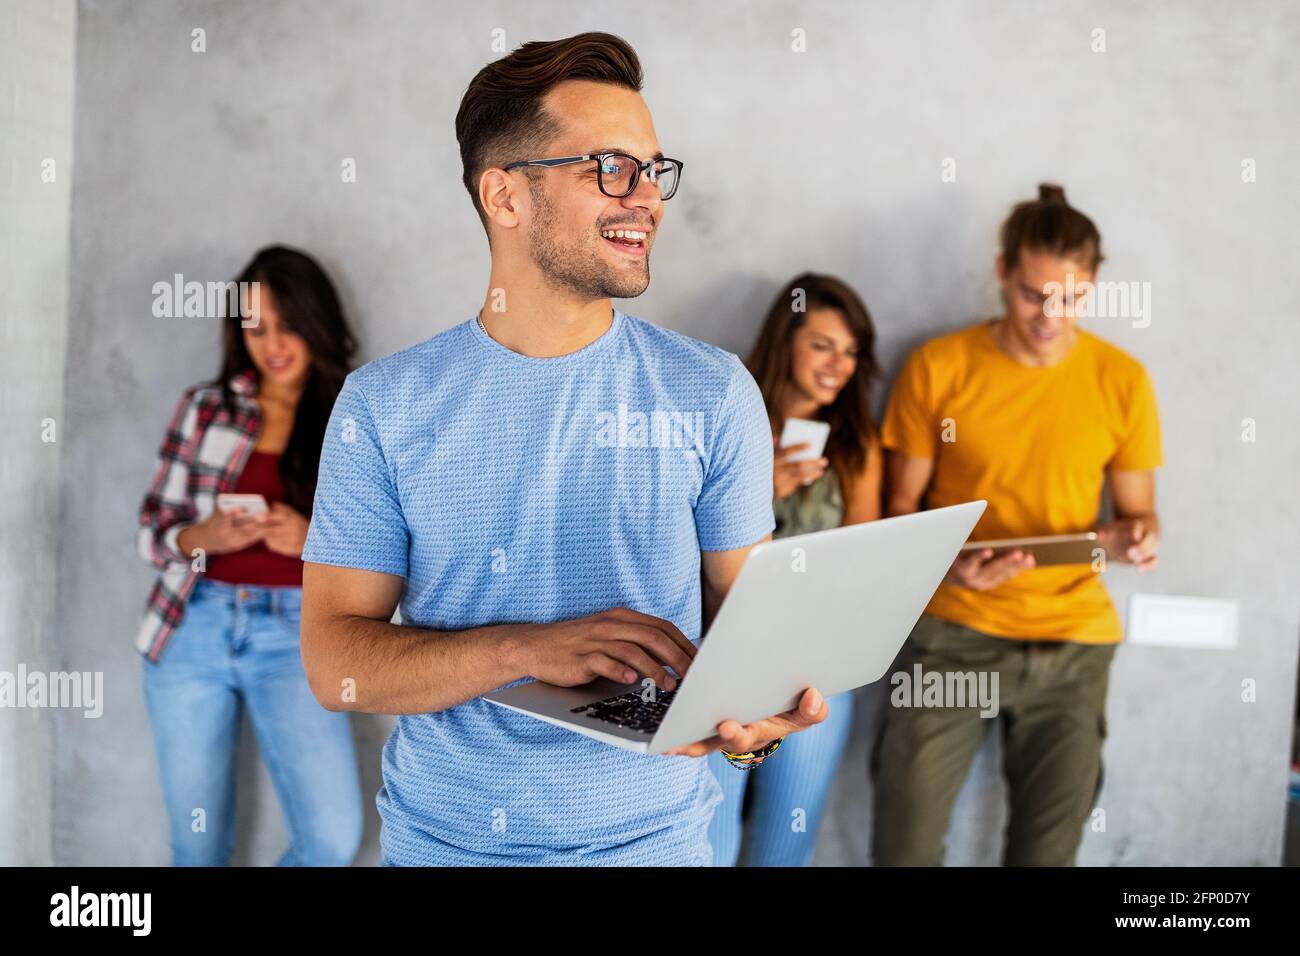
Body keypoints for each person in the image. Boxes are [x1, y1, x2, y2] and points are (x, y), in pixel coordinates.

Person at [298, 32, 828, 866]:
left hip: (655, 846)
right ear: (505, 196)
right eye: (611, 169)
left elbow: (746, 634)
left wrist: (752, 730)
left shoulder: (714, 392)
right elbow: (337, 665)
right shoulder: (383, 406)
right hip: (446, 848)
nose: (647, 197)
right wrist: (528, 649)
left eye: (655, 171)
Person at [871, 184, 1162, 866]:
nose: (1049, 315)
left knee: (1046, 856)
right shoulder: (940, 367)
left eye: (1070, 298)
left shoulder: (1123, 381)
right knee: (903, 848)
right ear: (1002, 271)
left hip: (1073, 648)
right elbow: (896, 515)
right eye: (1034, 294)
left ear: (1092, 287)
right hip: (950, 636)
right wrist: (952, 562)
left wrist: (1138, 537)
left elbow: (1139, 514)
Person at [135, 246, 363, 866]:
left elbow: (387, 559)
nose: (274, 344)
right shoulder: (205, 409)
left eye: (288, 324)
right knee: (197, 845)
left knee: (331, 841)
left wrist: (310, 541)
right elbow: (151, 533)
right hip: (192, 625)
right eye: (256, 328)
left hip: (297, 634)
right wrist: (199, 537)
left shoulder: (356, 414)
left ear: (317, 321)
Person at [707, 273, 883, 866]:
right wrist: (763, 486)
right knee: (708, 837)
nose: (840, 365)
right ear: (785, 340)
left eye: (852, 352)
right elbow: (679, 555)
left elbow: (866, 566)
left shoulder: (857, 447)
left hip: (815, 662)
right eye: (823, 345)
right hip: (723, 657)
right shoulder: (728, 420)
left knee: (785, 846)